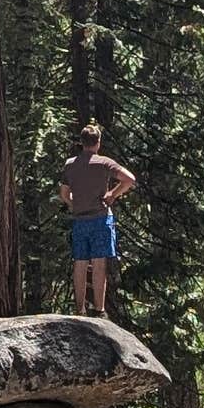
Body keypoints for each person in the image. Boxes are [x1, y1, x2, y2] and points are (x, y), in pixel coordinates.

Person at [57, 123, 135, 317]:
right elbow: (129, 179)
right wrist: (112, 194)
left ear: (82, 143)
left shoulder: (70, 164)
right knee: (99, 263)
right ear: (98, 143)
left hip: (80, 220)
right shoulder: (105, 163)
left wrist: (74, 204)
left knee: (80, 263)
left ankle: (80, 309)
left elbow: (64, 193)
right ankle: (99, 310)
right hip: (101, 218)